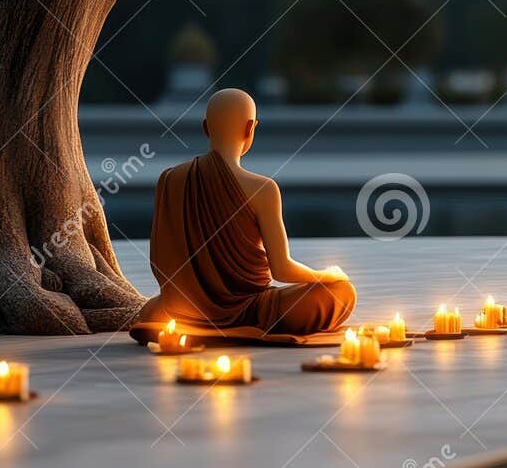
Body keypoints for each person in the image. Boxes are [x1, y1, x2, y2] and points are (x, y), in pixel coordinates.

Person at [130, 88, 355, 340]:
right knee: (341, 293)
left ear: (206, 128)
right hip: (250, 310)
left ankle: (189, 321)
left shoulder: (170, 179)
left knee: (149, 311)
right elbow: (281, 270)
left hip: (183, 309)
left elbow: (159, 262)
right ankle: (228, 325)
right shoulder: (264, 188)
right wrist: (325, 275)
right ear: (250, 128)